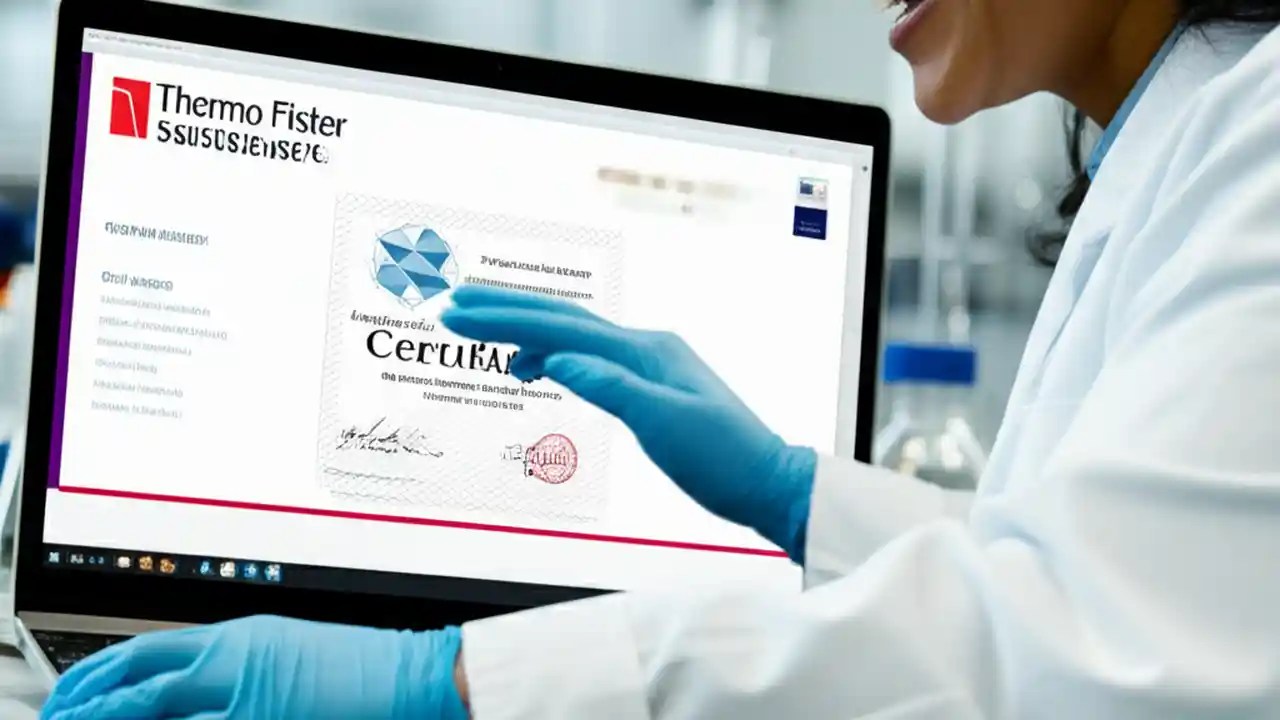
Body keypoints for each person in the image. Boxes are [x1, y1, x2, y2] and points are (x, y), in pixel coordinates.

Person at [41, 0, 1280, 716]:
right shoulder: (1188, 141)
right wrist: (812, 499)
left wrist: (459, 677)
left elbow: (1096, 664)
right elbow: (1113, 596)